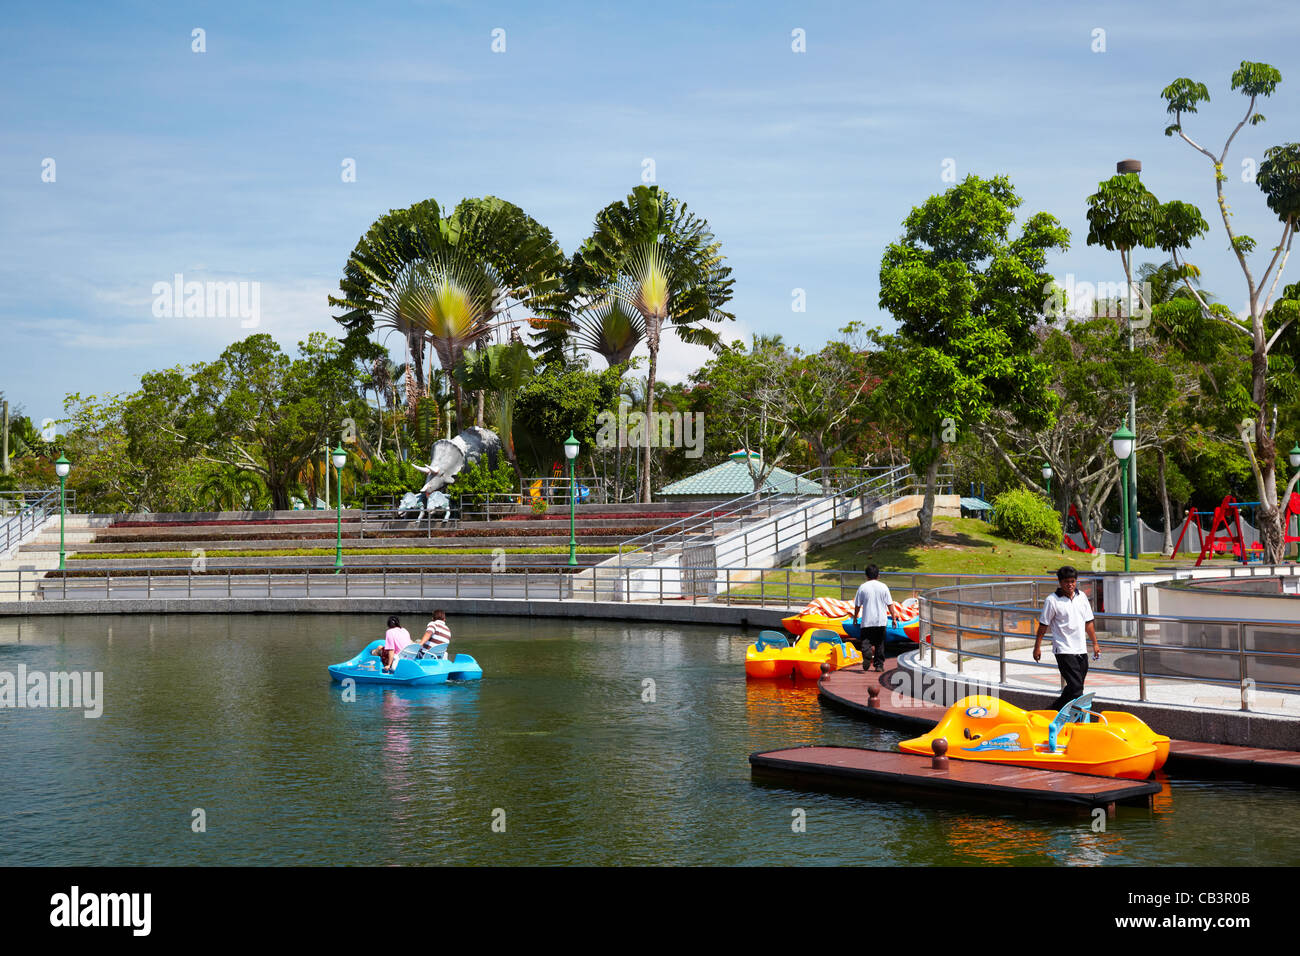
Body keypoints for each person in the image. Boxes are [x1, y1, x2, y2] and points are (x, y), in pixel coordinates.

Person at [1033, 565, 1102, 711]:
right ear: (1060, 582)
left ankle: (1053, 712)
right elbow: (1043, 625)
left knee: (1075, 687)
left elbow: (1088, 622)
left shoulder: (1082, 597)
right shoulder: (1052, 600)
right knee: (1076, 687)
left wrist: (1095, 644)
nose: (1070, 584)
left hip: (1081, 649)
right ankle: (1069, 715)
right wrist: (1037, 647)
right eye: (1066, 582)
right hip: (1063, 649)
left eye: (1072, 581)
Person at [853, 564, 893, 672]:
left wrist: (855, 617)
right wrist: (894, 618)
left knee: (865, 642)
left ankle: (867, 654)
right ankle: (879, 665)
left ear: (866, 576)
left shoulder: (863, 587)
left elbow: (857, 605)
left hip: (867, 621)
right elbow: (890, 604)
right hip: (881, 621)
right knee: (880, 644)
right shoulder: (884, 586)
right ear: (878, 575)